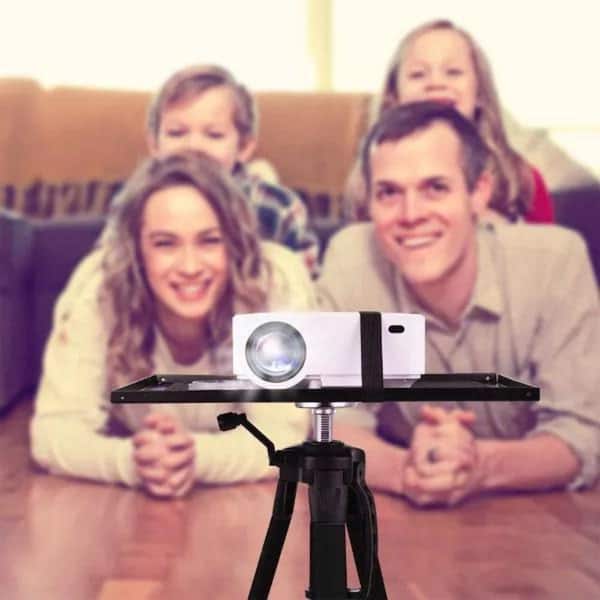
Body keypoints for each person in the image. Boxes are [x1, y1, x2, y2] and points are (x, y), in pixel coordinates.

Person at [318, 101, 600, 507]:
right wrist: (404, 471)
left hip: (540, 515)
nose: (411, 214)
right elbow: (333, 422)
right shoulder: (351, 261)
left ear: (479, 192)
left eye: (436, 188)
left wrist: (480, 465)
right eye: (389, 192)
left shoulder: (556, 262)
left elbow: (581, 436)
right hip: (399, 518)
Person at [31, 151, 316, 498]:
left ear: (235, 243)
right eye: (165, 244)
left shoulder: (275, 283)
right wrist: (133, 462)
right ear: (136, 251)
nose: (190, 266)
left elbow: (283, 437)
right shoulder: (100, 286)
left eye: (210, 240)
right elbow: (54, 431)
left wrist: (196, 458)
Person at [345, 19, 554, 224]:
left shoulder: (521, 178)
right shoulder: (367, 180)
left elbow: (547, 244)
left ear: (479, 93)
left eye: (453, 72)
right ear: (394, 98)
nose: (436, 83)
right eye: (418, 75)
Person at [146, 64, 320, 277]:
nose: (193, 146)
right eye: (176, 133)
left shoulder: (276, 207)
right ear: (154, 145)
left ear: (244, 147)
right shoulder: (134, 206)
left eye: (214, 135)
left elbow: (302, 284)